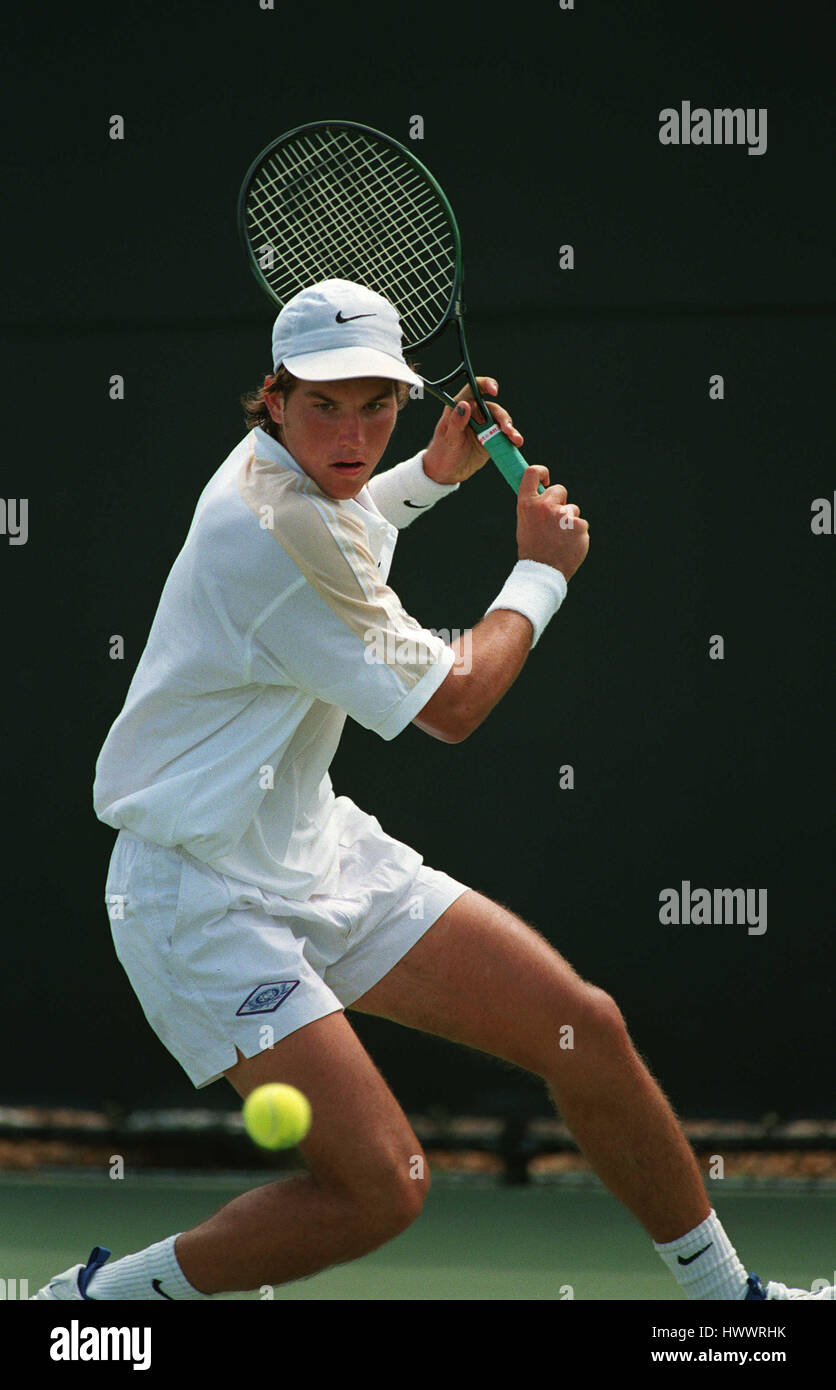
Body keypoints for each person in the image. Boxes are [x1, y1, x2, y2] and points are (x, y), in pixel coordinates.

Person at [33, 280, 832, 1301]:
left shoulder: (291, 484)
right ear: (272, 397)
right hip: (197, 896)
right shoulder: (270, 529)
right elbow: (450, 704)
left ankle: (732, 1309)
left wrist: (429, 476)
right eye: (325, 403)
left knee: (581, 1028)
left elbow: (345, 520)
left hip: (309, 847)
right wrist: (538, 576)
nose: (353, 429)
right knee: (381, 1189)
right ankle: (86, 1308)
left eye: (377, 405)